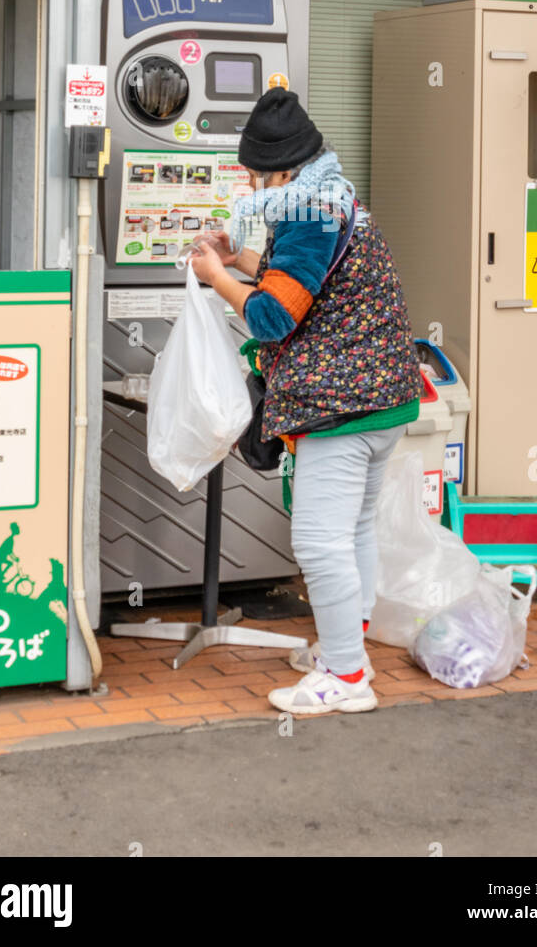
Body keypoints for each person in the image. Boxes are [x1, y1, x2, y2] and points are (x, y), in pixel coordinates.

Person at [190, 88, 421, 716]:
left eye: (255, 171)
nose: (250, 180)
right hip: (384, 397)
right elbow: (307, 273)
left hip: (341, 404)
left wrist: (218, 279)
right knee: (352, 530)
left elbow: (272, 316)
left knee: (320, 541)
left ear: (282, 171)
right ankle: (348, 649)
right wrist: (241, 259)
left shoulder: (307, 212)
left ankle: (345, 678)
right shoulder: (334, 198)